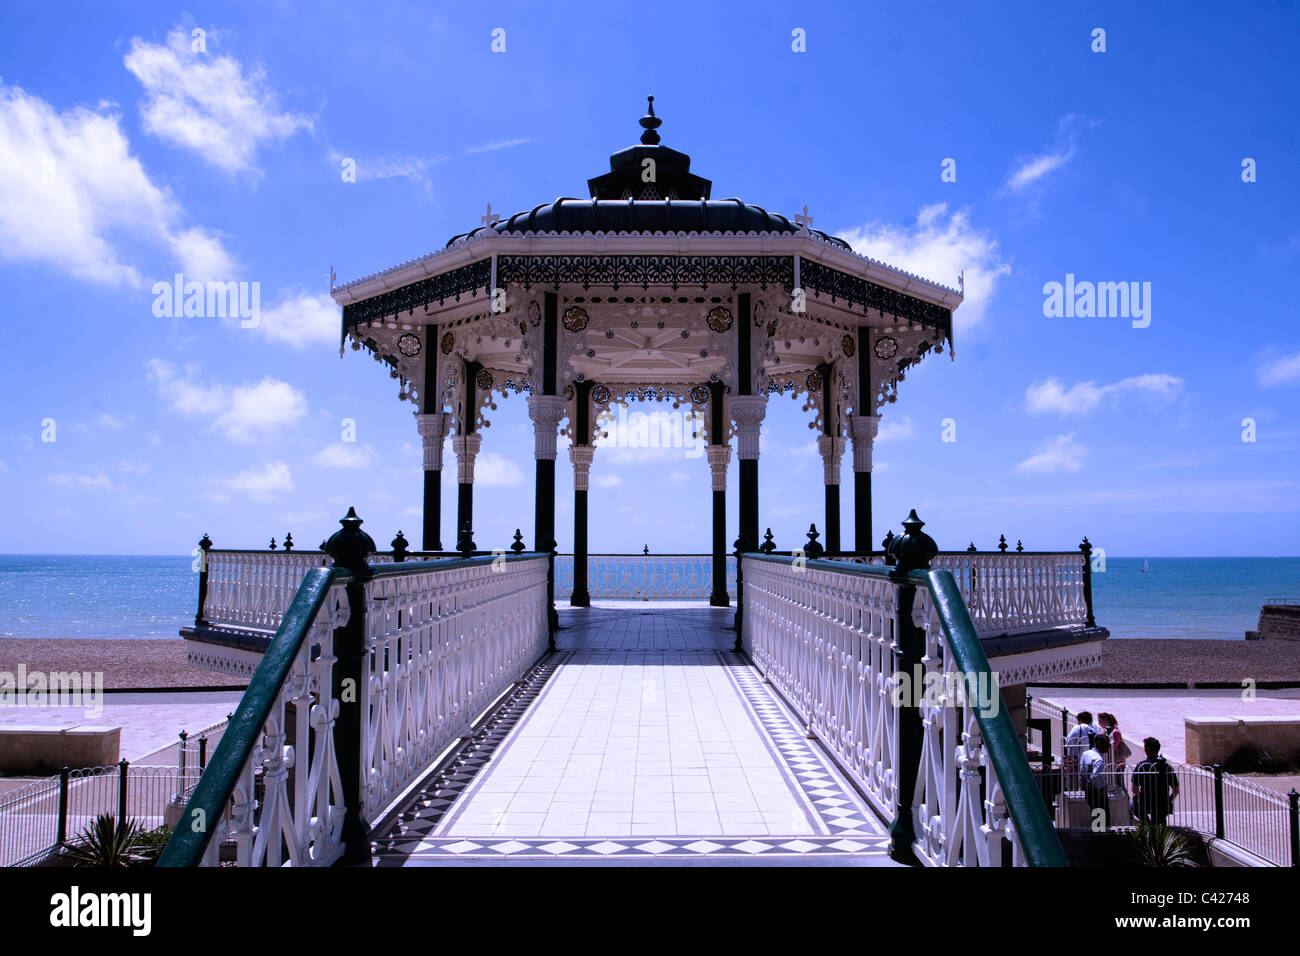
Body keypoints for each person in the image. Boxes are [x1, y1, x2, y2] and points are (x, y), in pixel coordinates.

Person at [1131, 737, 1179, 826]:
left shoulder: (1142, 766)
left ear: (1148, 749)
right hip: (1163, 802)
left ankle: (1147, 823)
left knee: (1132, 804)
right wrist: (1169, 800)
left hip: (1146, 801)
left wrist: (1140, 798)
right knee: (1160, 823)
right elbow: (1176, 790)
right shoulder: (1167, 767)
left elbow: (1134, 788)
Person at [1079, 733, 1111, 827]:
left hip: (1088, 790)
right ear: (1099, 743)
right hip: (1097, 792)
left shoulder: (1086, 754)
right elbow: (1095, 777)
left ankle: (1098, 835)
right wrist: (1101, 790)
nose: (1109, 746)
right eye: (1107, 743)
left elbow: (1082, 772)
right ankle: (1101, 837)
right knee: (1102, 818)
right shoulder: (1098, 759)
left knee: (1095, 815)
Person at [1062, 711, 1099, 790]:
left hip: (1076, 757)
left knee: (1074, 779)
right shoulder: (1094, 730)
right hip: (1089, 759)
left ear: (1081, 720)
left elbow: (1068, 742)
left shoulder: (1077, 727)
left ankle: (1073, 792)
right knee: (1087, 778)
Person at [1097, 712, 1132, 792]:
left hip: (1117, 762)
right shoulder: (1105, 731)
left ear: (1106, 720)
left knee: (1119, 784)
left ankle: (1125, 800)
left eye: (1100, 721)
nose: (1099, 723)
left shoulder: (1115, 732)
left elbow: (1113, 747)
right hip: (1110, 762)